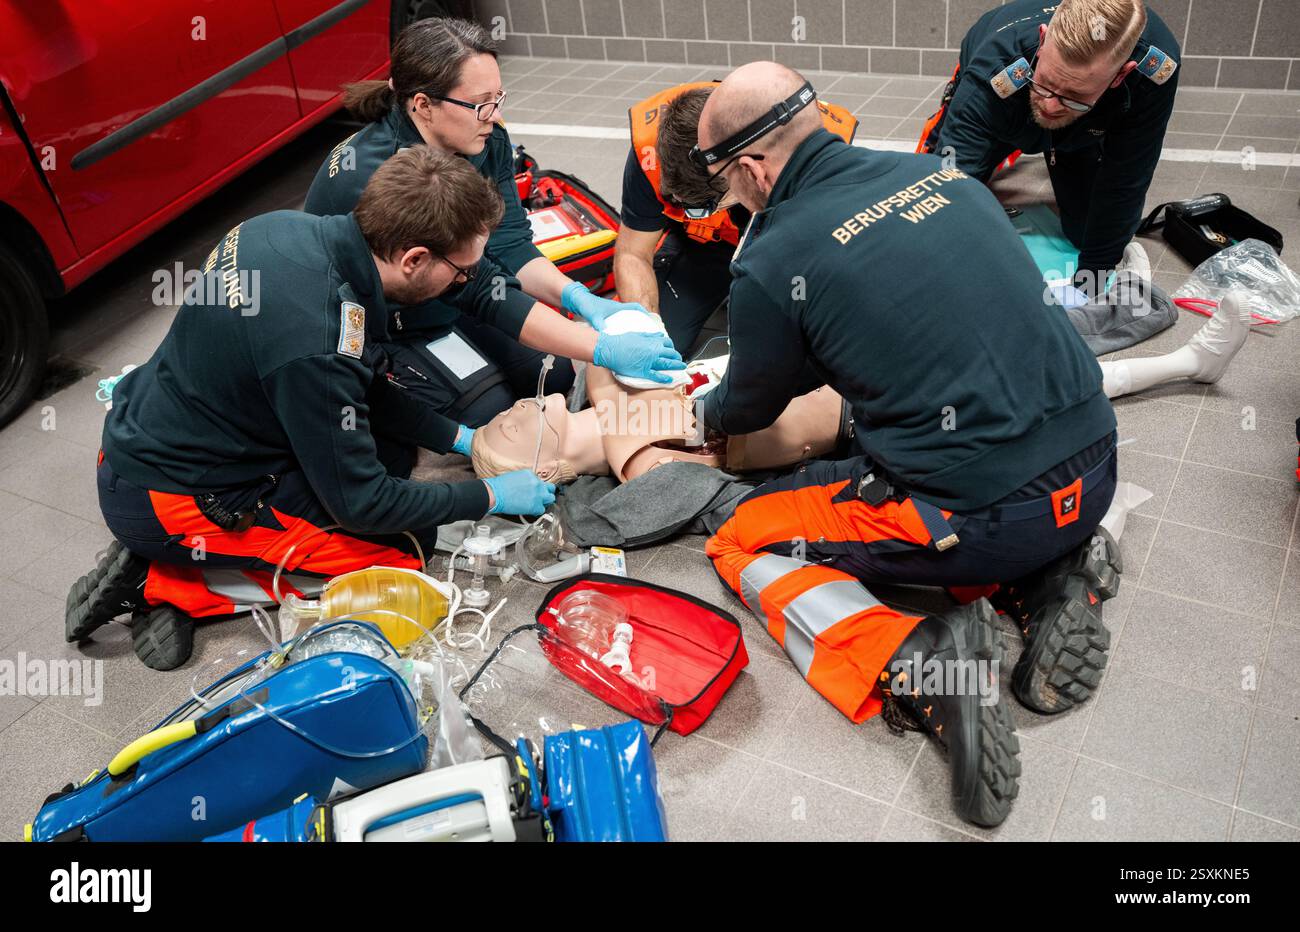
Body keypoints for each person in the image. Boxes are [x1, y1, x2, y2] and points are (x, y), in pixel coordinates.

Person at [687, 61, 1133, 828]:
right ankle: (1052, 574)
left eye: (727, 179)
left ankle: (925, 661)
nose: (732, 195)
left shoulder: (772, 258)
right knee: (910, 456)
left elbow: (752, 405)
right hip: (1096, 467)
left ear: (754, 169)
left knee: (739, 540)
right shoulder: (942, 175)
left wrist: (705, 416)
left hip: (985, 514)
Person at [66, 148, 683, 671]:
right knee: (401, 554)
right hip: (169, 494)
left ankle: (201, 553)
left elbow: (356, 390)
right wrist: (491, 497)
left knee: (392, 454)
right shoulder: (315, 337)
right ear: (414, 259)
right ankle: (164, 581)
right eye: (460, 271)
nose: (466, 284)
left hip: (168, 424)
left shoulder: (286, 232)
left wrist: (462, 439)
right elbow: (362, 500)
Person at [304, 17, 659, 425]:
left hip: (453, 286)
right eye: (480, 103)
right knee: (492, 409)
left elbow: (507, 244)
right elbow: (480, 291)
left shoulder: (483, 136)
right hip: (385, 322)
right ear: (422, 104)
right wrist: (596, 345)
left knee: (552, 374)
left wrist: (580, 298)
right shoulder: (379, 178)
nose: (493, 116)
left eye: (498, 98)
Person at [921, 0, 1180, 298]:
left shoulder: (1153, 73)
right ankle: (1012, 144)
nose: (1050, 105)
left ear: (1121, 74)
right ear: (1043, 39)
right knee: (935, 192)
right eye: (1047, 84)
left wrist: (1088, 289)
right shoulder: (997, 61)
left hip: (1081, 128)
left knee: (1089, 235)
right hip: (1010, 103)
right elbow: (947, 181)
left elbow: (1126, 179)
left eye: (1073, 94)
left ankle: (1061, 137)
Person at [614, 83, 857, 353]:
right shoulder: (651, 150)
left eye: (703, 207)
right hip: (704, 248)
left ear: (745, 170)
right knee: (645, 344)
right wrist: (649, 327)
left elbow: (828, 269)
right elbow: (632, 253)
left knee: (798, 353)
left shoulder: (811, 160)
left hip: (789, 255)